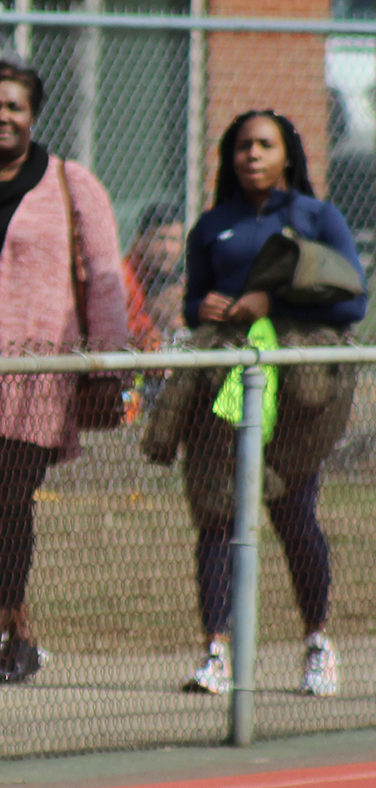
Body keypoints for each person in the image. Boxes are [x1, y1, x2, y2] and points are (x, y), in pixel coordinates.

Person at [144, 109, 364, 699]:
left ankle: (317, 643)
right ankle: (217, 652)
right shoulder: (213, 224)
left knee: (295, 517)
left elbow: (350, 306)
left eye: (265, 145)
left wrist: (271, 302)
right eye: (242, 146)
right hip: (227, 386)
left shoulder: (317, 218)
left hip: (296, 393)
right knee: (218, 518)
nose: (252, 156)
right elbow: (192, 305)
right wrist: (209, 312)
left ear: (287, 154)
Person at [0, 61, 126, 685]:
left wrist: (107, 363)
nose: (2, 116)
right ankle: (15, 624)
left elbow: (105, 279)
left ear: (34, 115)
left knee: (7, 494)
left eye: (14, 106)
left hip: (38, 370)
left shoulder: (73, 184)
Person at [125, 201, 187, 353]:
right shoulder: (125, 278)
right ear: (141, 239)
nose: (167, 249)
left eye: (174, 240)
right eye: (160, 238)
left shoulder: (180, 278)